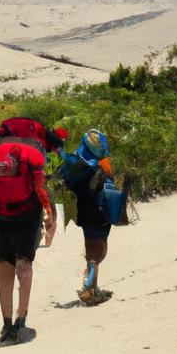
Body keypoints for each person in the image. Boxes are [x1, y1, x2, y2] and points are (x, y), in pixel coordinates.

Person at [0, 121, 59, 342]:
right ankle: (21, 322)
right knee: (24, 265)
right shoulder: (31, 154)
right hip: (27, 215)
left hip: (0, 216)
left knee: (3, 268)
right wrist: (50, 216)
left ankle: (6, 325)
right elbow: (40, 188)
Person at [59, 129, 119, 305]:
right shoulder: (101, 164)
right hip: (99, 209)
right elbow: (112, 180)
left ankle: (93, 287)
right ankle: (89, 289)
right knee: (99, 251)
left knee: (90, 247)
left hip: (83, 210)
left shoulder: (73, 159)